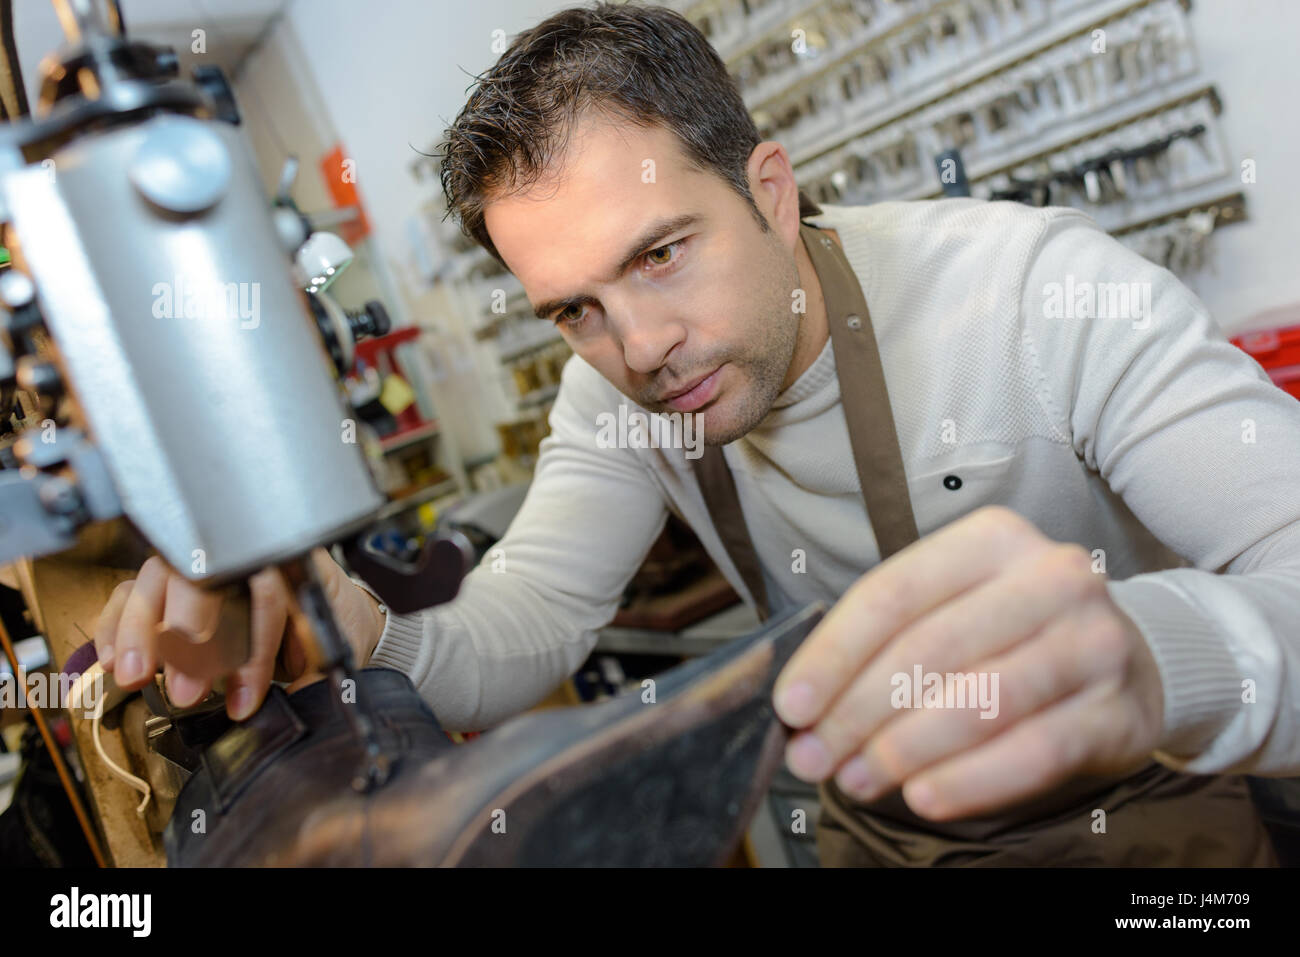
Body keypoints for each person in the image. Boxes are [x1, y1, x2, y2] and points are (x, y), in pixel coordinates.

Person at [96, 3, 1300, 865]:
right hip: (873, 829)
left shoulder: (1038, 295)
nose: (640, 346)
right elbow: (530, 621)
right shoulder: (615, 395)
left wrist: (1150, 659)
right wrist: (367, 636)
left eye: (661, 254)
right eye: (576, 308)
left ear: (769, 191)